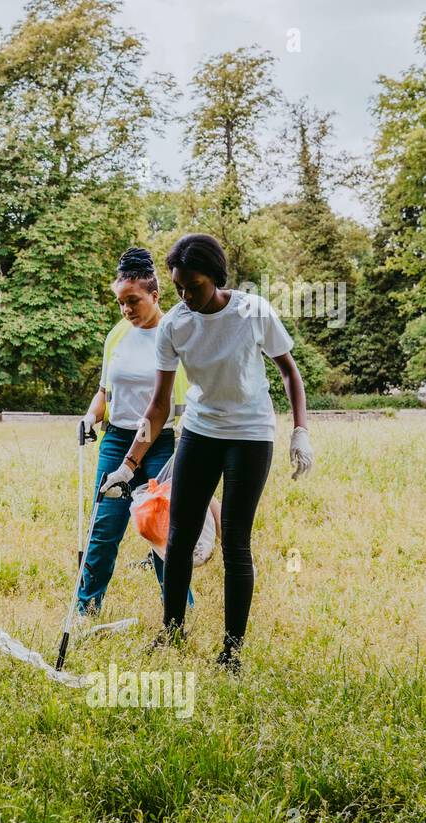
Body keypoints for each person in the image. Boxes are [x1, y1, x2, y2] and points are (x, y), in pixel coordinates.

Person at [100, 233, 314, 674]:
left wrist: (300, 431)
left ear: (216, 278)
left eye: (193, 286)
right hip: (200, 430)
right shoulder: (176, 324)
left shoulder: (253, 312)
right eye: (178, 287)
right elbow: (158, 406)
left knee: (236, 541)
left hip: (250, 434)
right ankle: (172, 631)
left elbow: (290, 373)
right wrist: (128, 465)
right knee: (178, 537)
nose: (185, 296)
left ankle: (231, 652)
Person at [75, 248, 193, 614]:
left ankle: (178, 609)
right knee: (103, 529)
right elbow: (105, 392)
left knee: (161, 531)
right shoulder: (116, 336)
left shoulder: (174, 337)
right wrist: (89, 418)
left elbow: (175, 407)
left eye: (133, 301)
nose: (126, 310)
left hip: (160, 446)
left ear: (155, 295)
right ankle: (86, 608)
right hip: (116, 441)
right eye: (121, 302)